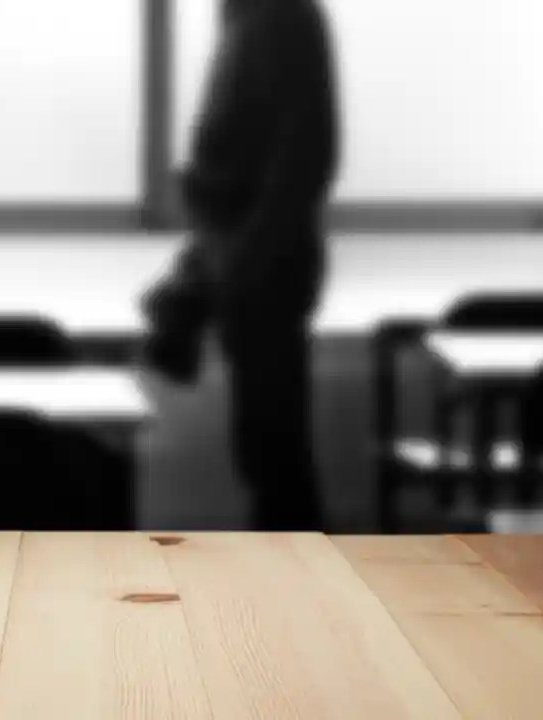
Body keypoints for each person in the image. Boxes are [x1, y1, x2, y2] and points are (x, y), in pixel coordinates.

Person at [141, 0, 339, 531]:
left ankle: (294, 590)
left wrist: (242, 259)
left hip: (260, 264)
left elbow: (301, 159)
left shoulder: (280, 21)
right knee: (266, 450)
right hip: (246, 255)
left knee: (272, 451)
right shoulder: (252, 21)